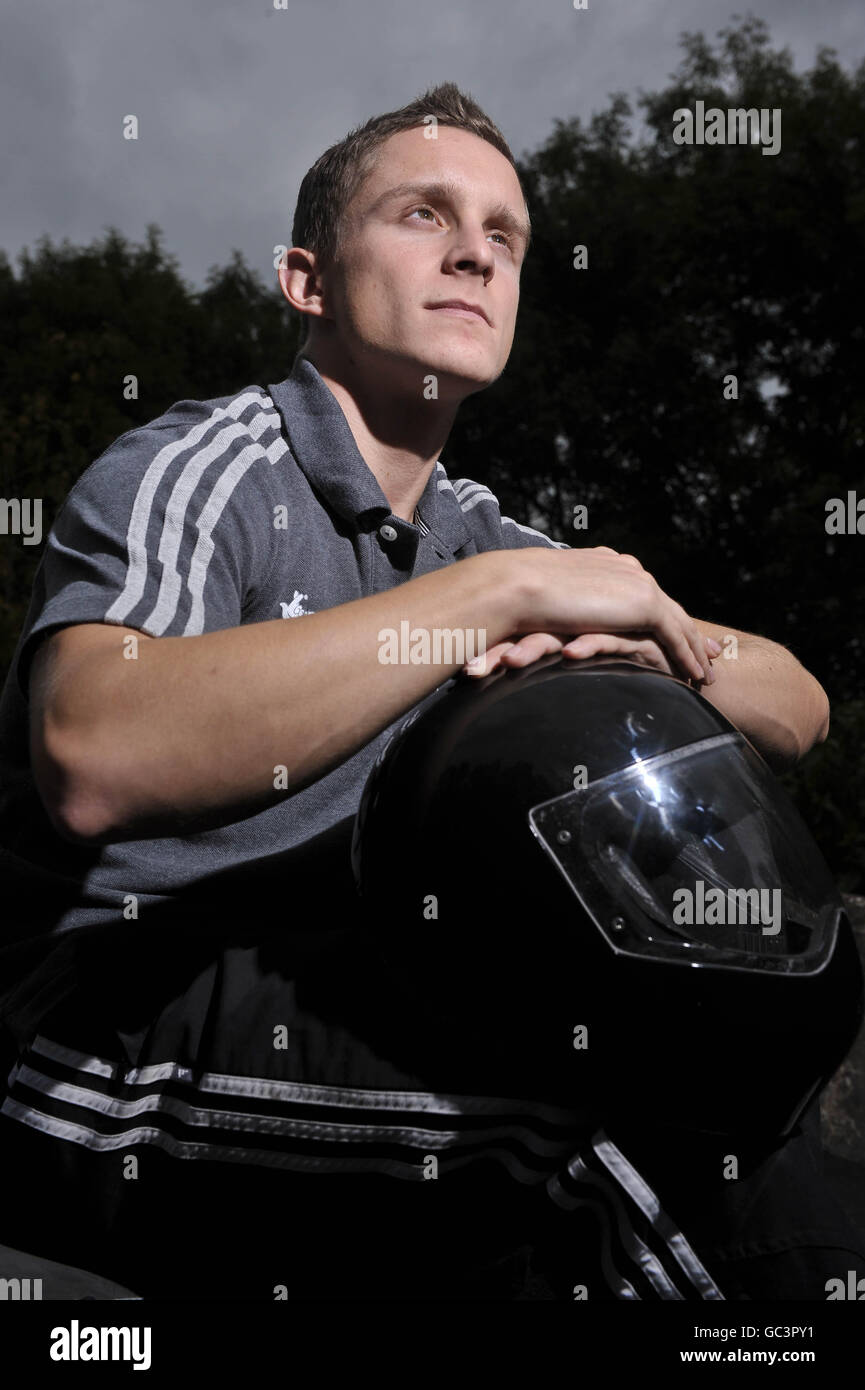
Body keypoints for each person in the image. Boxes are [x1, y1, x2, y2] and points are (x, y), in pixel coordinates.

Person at [0, 81, 839, 1299]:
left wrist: (620, 638)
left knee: (729, 1110)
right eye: (423, 214)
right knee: (603, 1151)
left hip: (339, 992)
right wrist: (487, 605)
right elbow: (93, 748)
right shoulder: (200, 464)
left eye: (505, 237)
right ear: (307, 281)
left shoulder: (486, 536)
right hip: (84, 1025)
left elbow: (796, 702)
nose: (475, 254)